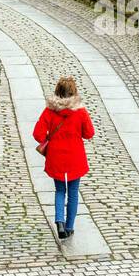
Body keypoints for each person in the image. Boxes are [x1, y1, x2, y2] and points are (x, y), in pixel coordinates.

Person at [32, 75, 95, 239]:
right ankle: (69, 226)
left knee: (60, 190)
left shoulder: (49, 111)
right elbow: (89, 134)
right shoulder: (80, 112)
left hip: (56, 157)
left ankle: (59, 221)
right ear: (74, 93)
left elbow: (37, 134)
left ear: (57, 92)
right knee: (73, 192)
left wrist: (49, 138)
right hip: (75, 158)